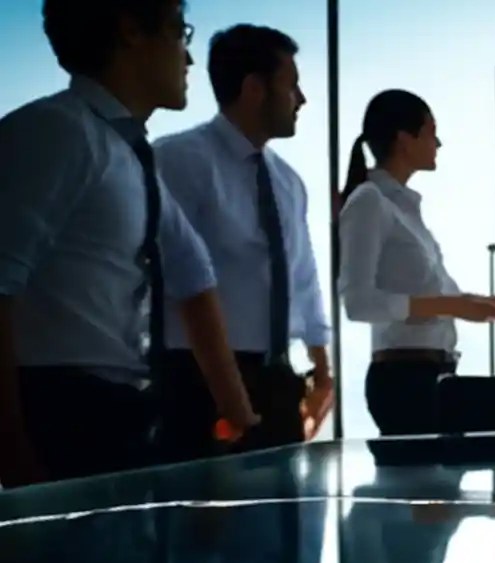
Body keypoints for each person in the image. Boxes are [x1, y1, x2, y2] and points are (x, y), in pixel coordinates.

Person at [0, 0, 257, 487]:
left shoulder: (129, 155)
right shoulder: (54, 133)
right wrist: (12, 454)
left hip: (125, 416)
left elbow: (193, 272)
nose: (188, 58)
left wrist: (239, 419)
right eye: (179, 32)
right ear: (131, 32)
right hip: (61, 413)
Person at [153, 24, 332, 461]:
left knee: (284, 518)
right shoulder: (177, 161)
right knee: (206, 522)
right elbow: (167, 276)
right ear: (255, 88)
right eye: (291, 85)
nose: (301, 100)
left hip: (277, 381)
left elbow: (301, 277)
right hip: (196, 381)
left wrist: (323, 371)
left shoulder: (288, 182)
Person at [337, 90, 495, 436]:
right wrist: (448, 305)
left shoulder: (407, 211)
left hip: (435, 378)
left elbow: (457, 301)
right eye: (430, 132)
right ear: (404, 139)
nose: (438, 143)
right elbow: (358, 303)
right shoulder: (369, 202)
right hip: (402, 383)